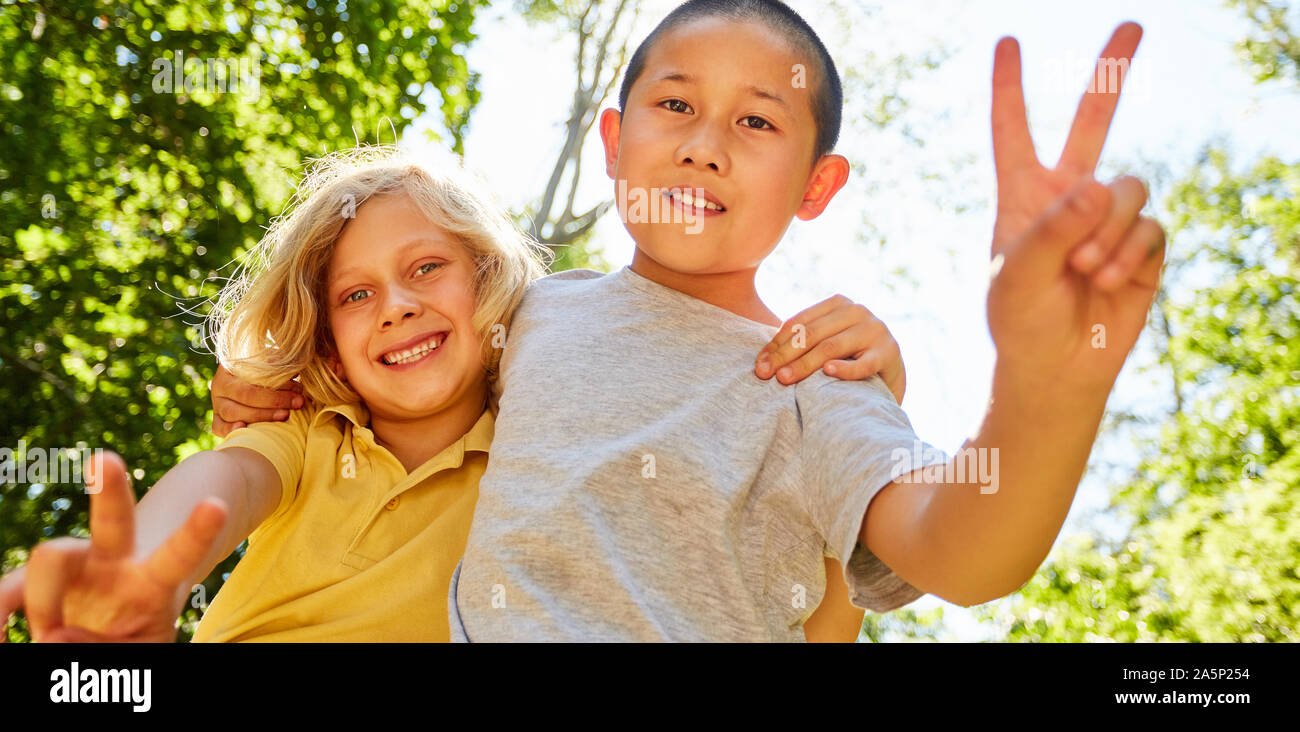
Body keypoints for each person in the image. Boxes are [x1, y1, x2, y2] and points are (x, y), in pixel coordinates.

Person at [441, 0, 1164, 640]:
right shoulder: (532, 310)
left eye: (756, 120)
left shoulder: (816, 376)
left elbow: (964, 552)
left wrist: (1043, 389)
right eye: (674, 105)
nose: (703, 148)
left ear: (817, 186)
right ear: (613, 141)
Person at [0, 147, 911, 642]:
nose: (394, 306)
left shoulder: (543, 466)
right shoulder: (307, 440)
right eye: (355, 296)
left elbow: (797, 611)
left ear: (491, 288)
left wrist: (855, 406)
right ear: (328, 342)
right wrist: (141, 565)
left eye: (426, 268)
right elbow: (219, 487)